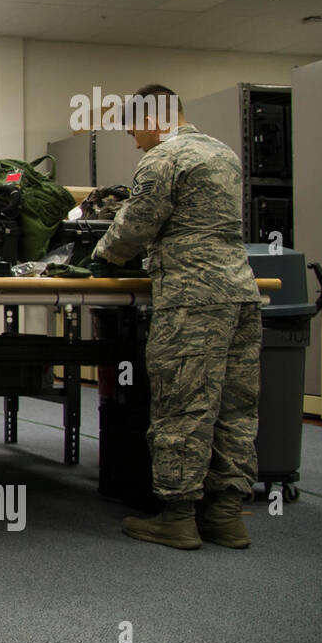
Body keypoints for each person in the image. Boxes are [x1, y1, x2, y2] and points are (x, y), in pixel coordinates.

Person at [94, 84, 261, 550]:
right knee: (234, 405)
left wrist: (104, 252)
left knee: (184, 402)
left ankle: (178, 515)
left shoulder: (163, 159)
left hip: (193, 296)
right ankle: (226, 515)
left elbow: (135, 225)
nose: (134, 141)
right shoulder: (223, 153)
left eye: (133, 130)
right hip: (240, 292)